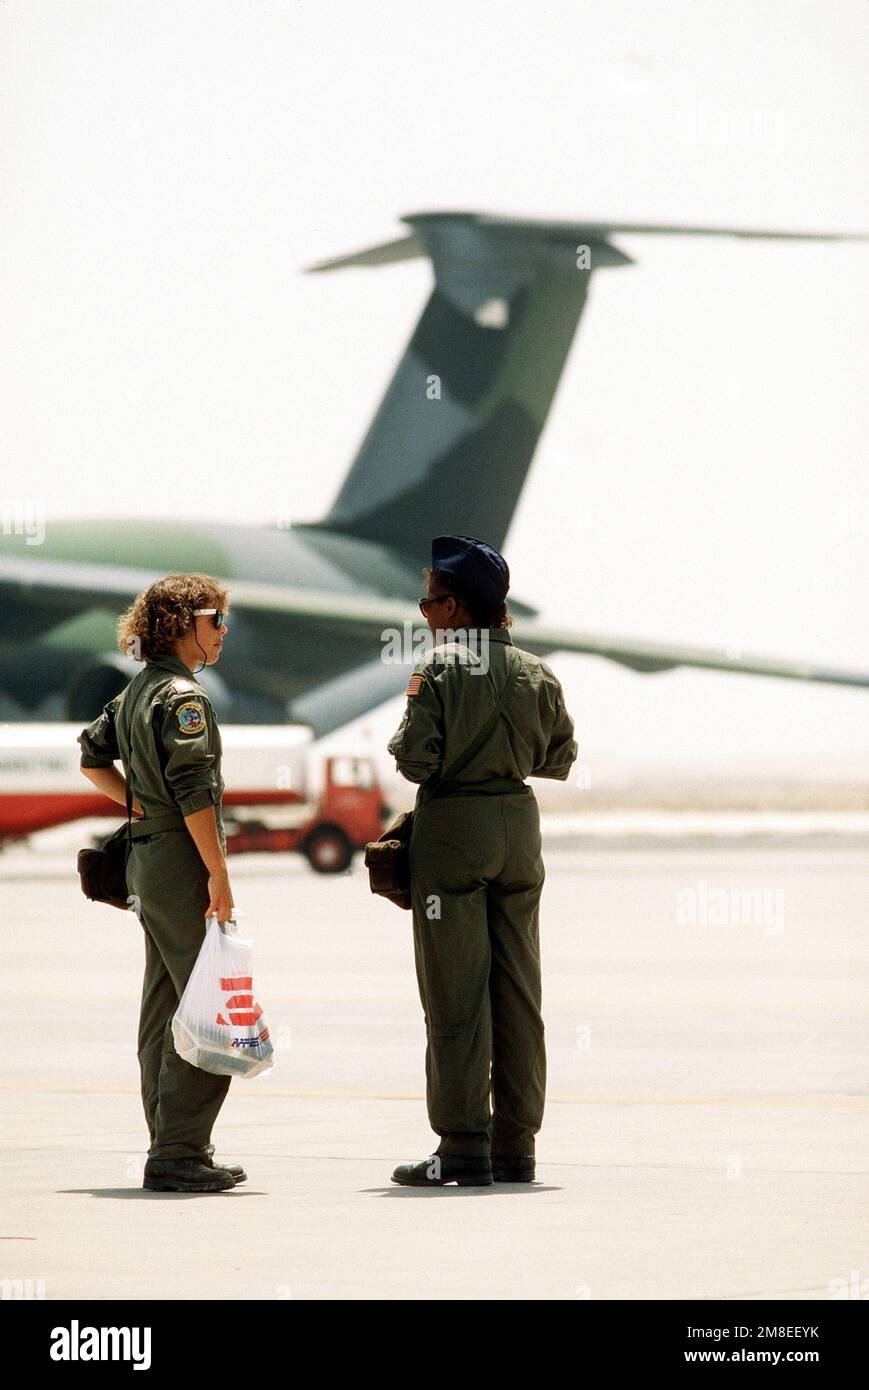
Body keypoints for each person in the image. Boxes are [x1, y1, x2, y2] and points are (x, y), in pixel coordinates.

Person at [386, 535, 578, 1187]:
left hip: (454, 834)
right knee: (518, 993)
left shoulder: (439, 670)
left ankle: (463, 1146)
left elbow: (413, 759)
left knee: (454, 994)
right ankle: (515, 1145)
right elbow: (557, 759)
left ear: (457, 608)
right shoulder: (537, 672)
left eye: (429, 602)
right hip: (518, 832)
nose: (425, 615)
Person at [78, 573, 244, 1193]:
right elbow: (194, 791)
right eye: (215, 621)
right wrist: (218, 875)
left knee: (164, 1004)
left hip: (148, 862)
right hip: (181, 862)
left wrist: (135, 806)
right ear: (180, 626)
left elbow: (92, 757)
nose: (223, 632)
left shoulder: (132, 696)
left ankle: (169, 1141)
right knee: (209, 999)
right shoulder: (182, 699)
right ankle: (179, 1150)